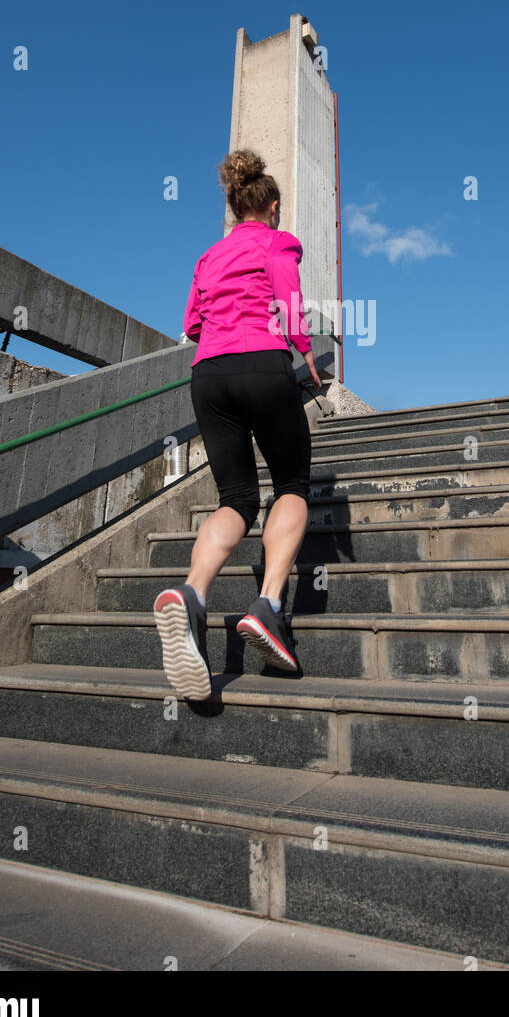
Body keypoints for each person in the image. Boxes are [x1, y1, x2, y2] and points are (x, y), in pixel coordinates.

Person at [154, 149, 321, 701]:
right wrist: (307, 356)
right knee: (292, 484)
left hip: (209, 374)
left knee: (235, 498)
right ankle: (269, 605)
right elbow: (291, 304)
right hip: (261, 363)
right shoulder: (278, 242)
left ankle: (193, 594)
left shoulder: (208, 256)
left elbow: (192, 323)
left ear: (232, 205)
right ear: (271, 207)